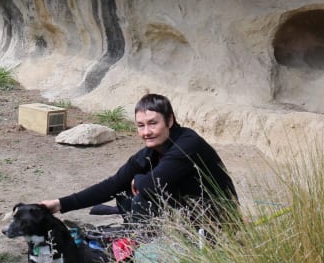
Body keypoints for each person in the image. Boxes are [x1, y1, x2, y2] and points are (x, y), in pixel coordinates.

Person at [41, 93, 239, 231]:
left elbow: (153, 185)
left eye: (153, 123)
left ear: (170, 121)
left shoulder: (188, 144)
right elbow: (112, 184)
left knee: (142, 197)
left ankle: (148, 250)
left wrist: (137, 179)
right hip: (186, 212)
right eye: (141, 125)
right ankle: (144, 239)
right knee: (123, 193)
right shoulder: (150, 153)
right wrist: (60, 204)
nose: (146, 132)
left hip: (216, 221)